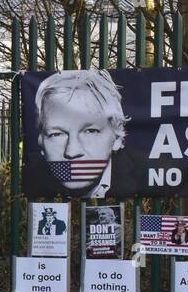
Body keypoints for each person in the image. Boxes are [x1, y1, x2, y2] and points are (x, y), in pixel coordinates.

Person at [26, 69, 143, 198]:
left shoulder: (146, 175)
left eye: (90, 131)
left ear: (117, 138)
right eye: (57, 134)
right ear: (40, 140)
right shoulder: (33, 179)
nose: (71, 152)